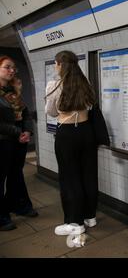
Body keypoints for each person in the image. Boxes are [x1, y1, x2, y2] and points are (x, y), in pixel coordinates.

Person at [45, 50, 98, 236]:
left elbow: (51, 112)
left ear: (60, 64)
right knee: (88, 174)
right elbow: (91, 106)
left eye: (55, 63)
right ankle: (89, 216)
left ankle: (75, 223)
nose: (55, 66)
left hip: (67, 133)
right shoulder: (85, 84)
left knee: (70, 177)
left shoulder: (55, 85)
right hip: (87, 131)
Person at [0, 55, 38, 231]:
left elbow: (26, 114)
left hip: (18, 141)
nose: (12, 70)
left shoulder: (14, 91)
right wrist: (18, 133)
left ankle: (19, 206)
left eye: (13, 67)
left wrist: (28, 131)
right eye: (7, 67)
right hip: (3, 141)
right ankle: (1, 217)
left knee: (16, 175)